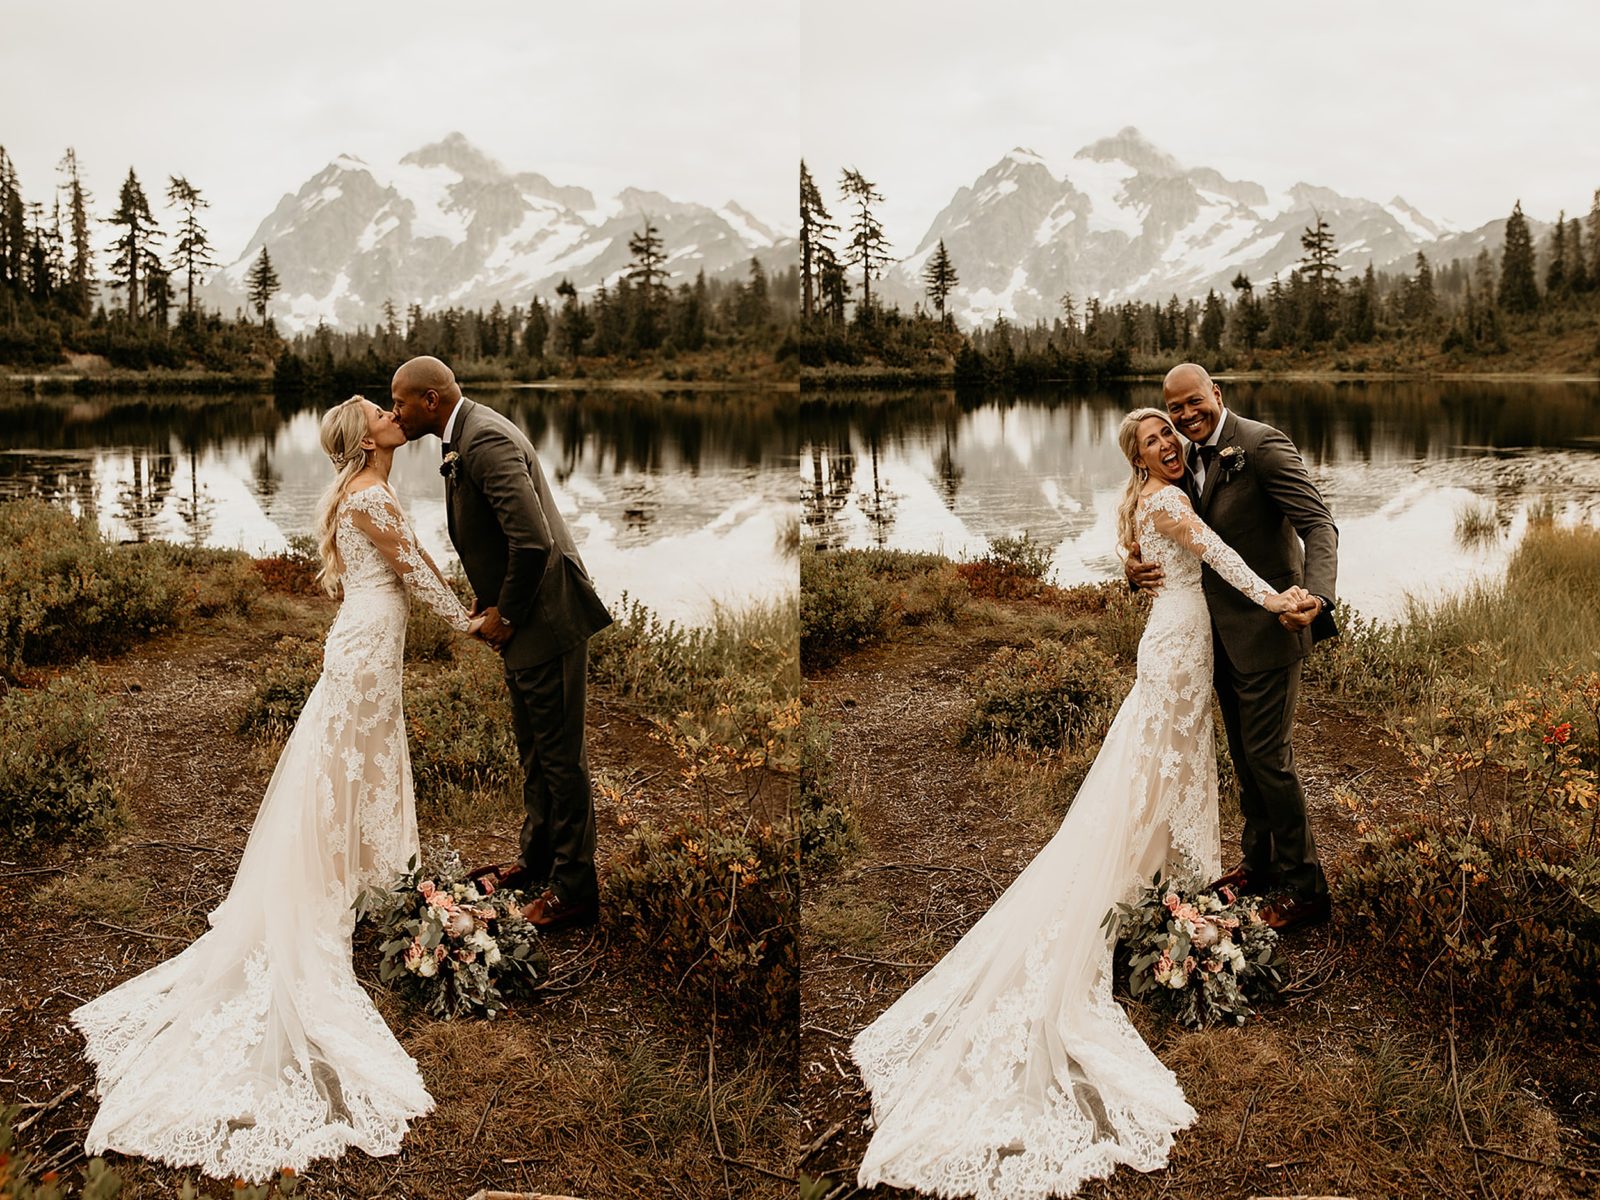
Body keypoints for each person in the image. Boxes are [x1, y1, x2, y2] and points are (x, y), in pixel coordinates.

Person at [852, 407, 1309, 1199]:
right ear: (1135, 456)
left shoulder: (1146, 496)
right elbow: (1221, 553)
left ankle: (1159, 886)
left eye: (1172, 433)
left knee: (1161, 772)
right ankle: (1142, 894)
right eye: (1154, 440)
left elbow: (1148, 555)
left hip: (1179, 635)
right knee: (1156, 770)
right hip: (1178, 643)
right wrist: (1274, 600)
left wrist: (1143, 568)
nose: (1169, 443)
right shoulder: (1165, 499)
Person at [72, 396, 482, 1181]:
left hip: (365, 644)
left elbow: (404, 572)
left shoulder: (361, 492)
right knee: (350, 764)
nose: (393, 415)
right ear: (366, 437)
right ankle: (352, 883)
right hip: (364, 653)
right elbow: (417, 574)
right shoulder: (370, 496)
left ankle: (366, 877)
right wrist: (470, 625)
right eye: (380, 412)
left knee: (355, 765)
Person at [388, 357, 613, 932]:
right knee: (535, 751)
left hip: (546, 619)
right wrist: (486, 602)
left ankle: (573, 890)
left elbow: (534, 543)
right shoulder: (463, 435)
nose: (395, 412)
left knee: (561, 760)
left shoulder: (483, 441)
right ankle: (537, 861)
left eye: (400, 403)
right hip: (525, 622)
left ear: (431, 401)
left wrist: (506, 615)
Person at [1127, 363, 1338, 931]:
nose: (1186, 416)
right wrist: (1136, 567)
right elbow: (1172, 538)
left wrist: (1316, 596)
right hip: (1212, 641)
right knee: (1245, 763)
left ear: (1216, 394)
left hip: (1271, 633)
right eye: (1175, 410)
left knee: (1270, 760)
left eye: (1195, 402)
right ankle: (1260, 866)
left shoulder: (1262, 446)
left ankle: (1303, 887)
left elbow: (1319, 524)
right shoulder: (1183, 458)